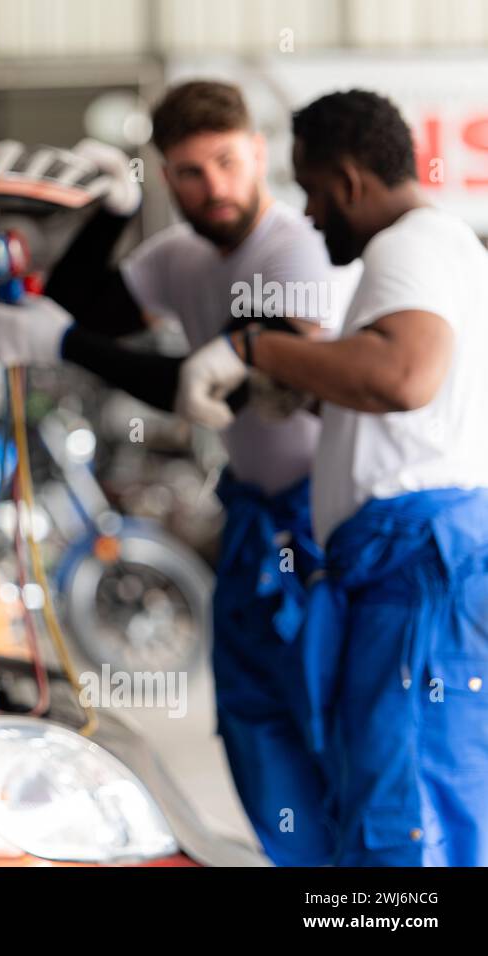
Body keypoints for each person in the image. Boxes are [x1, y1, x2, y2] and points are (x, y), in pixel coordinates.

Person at [0, 80, 353, 865]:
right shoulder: (181, 256)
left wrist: (64, 347)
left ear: (258, 153)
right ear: (168, 176)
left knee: (329, 721)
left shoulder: (292, 249)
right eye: (188, 172)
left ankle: (363, 898)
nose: (213, 187)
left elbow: (216, 381)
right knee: (255, 723)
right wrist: (110, 215)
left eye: (226, 162)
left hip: (325, 529)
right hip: (253, 514)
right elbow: (82, 304)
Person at [177, 89, 488, 866]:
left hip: (414, 562)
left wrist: (257, 351)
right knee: (401, 794)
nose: (310, 217)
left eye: (314, 192)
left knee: (404, 809)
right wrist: (315, 383)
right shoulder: (442, 245)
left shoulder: (406, 246)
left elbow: (404, 376)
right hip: (406, 561)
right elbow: (399, 385)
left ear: (350, 182)